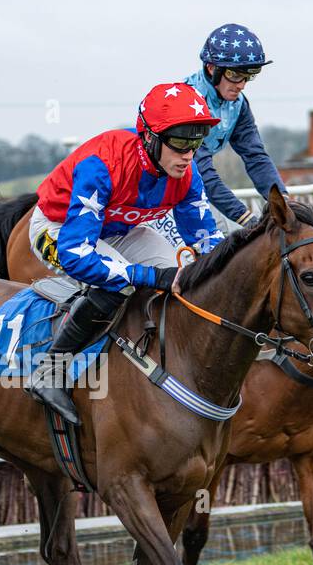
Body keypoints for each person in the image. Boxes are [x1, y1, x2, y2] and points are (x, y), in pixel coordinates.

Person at [26, 82, 224, 423]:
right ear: (149, 136)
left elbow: (209, 244)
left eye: (196, 141)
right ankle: (50, 370)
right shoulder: (101, 165)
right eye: (179, 141)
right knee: (122, 281)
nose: (189, 154)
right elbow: (78, 255)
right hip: (60, 229)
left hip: (118, 230)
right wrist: (146, 275)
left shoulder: (186, 175)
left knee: (184, 279)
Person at [185, 23, 286, 228]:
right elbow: (203, 173)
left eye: (248, 76)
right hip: (158, 195)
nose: (241, 84)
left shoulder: (239, 104)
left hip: (190, 188)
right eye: (235, 75)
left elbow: (255, 156)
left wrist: (284, 202)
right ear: (212, 68)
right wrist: (245, 217)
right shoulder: (188, 102)